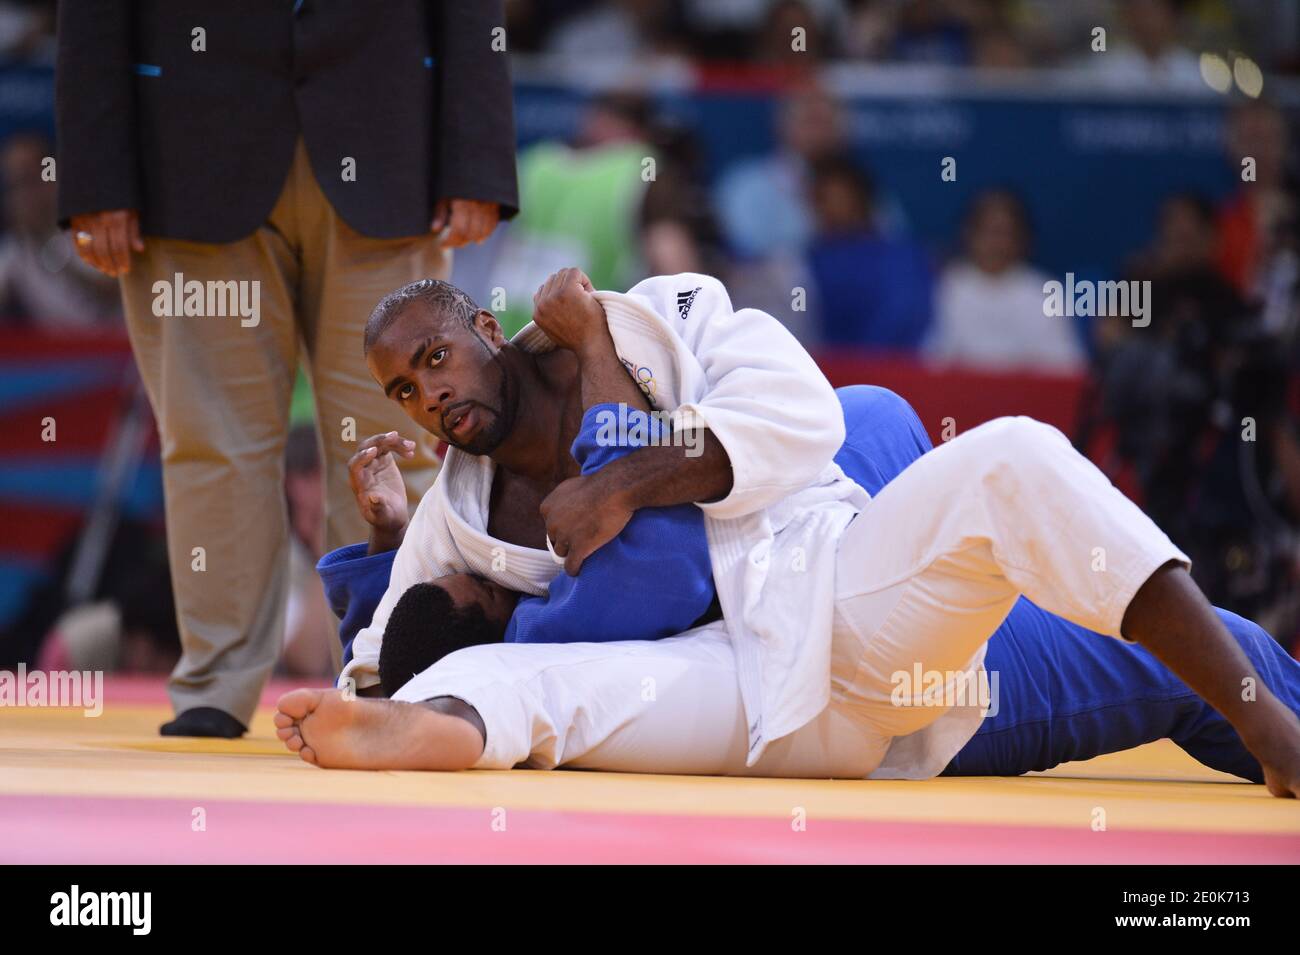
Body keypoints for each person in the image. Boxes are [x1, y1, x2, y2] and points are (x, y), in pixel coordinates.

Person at [279, 267, 1300, 795]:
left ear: (485, 331)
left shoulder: (660, 319)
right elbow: (391, 649)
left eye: (435, 360)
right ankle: (433, 741)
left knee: (982, 449)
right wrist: (379, 572)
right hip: (722, 676)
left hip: (827, 593)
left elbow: (800, 419)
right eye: (405, 390)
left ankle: (1273, 729)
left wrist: (625, 479)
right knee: (527, 680)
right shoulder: (458, 512)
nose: (430, 397)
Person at [54, 1, 519, 737]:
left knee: (395, 440)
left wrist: (477, 153)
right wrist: (96, 173)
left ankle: (396, 669)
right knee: (210, 435)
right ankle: (215, 683)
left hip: (388, 141)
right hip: (187, 152)